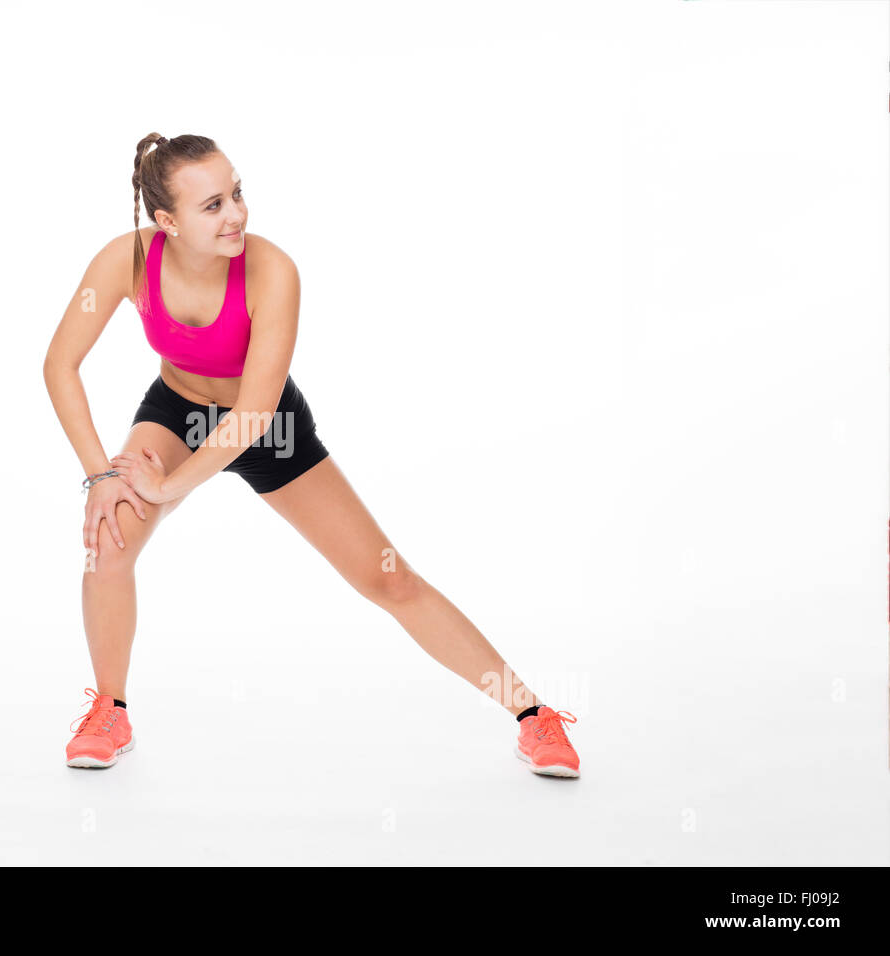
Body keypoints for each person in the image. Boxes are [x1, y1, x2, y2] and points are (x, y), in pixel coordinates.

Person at [42, 133, 580, 777]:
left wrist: (165, 487)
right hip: (174, 414)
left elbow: (251, 416)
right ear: (167, 222)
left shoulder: (272, 270)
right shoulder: (125, 261)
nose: (236, 213)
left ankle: (533, 716)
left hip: (267, 426)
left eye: (237, 192)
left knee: (388, 577)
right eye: (212, 205)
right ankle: (110, 708)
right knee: (108, 541)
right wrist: (102, 475)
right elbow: (60, 364)